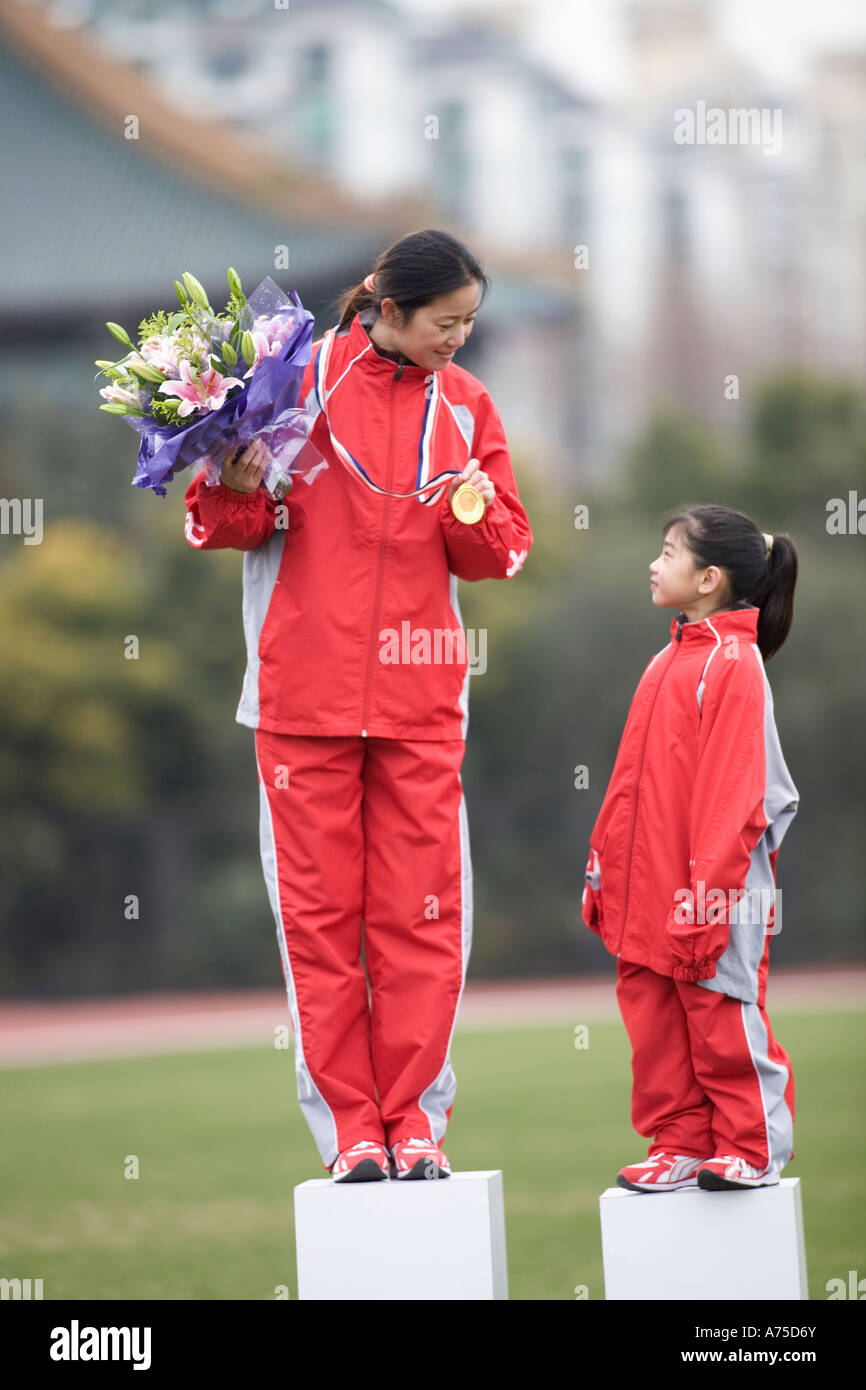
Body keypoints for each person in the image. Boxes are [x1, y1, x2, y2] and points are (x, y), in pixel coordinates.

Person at [183, 229, 533, 1183]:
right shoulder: (287, 382)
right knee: (318, 921)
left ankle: (415, 1121)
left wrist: (470, 506)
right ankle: (350, 1132)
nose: (459, 340)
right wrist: (242, 482)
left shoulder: (467, 406)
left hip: (422, 702)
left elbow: (503, 550)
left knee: (422, 920)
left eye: (470, 324)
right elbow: (216, 523)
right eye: (445, 323)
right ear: (388, 308)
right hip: (303, 696)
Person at [580, 504, 799, 1192]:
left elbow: (736, 799)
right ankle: (679, 1140)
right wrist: (602, 867)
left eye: (668, 553)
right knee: (655, 1021)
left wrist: (706, 895)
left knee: (721, 1013)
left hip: (713, 895)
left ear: (709, 579)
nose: (654, 563)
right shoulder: (666, 659)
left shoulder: (737, 663)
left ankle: (752, 1146)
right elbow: (625, 783)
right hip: (648, 891)